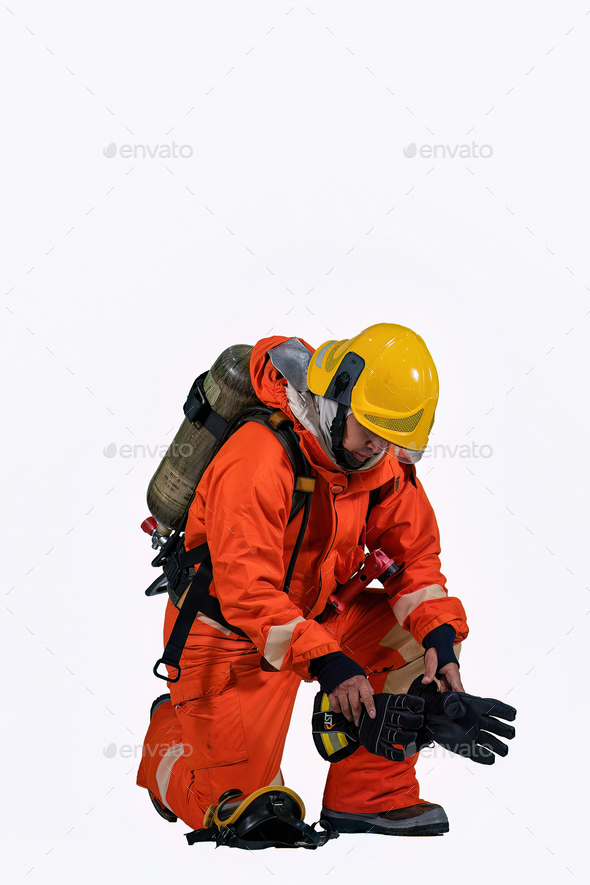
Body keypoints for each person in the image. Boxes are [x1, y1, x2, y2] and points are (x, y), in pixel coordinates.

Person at [137, 323, 468, 838]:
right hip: (230, 637)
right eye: (370, 429)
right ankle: (169, 735)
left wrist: (440, 642)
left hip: (312, 620)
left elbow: (414, 559)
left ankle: (369, 796)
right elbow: (247, 591)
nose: (377, 447)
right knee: (239, 811)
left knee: (415, 640)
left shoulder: (378, 456)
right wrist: (330, 663)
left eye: (391, 437)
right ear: (338, 400)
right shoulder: (258, 456)